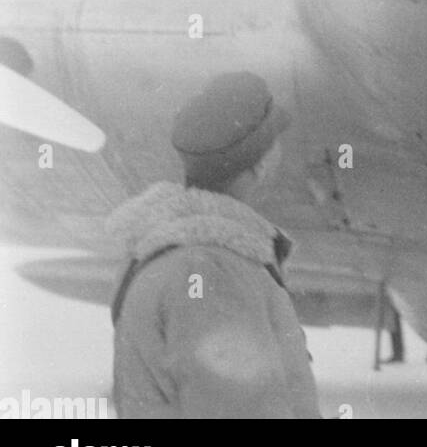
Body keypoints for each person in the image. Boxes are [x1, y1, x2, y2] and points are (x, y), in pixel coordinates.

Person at [107, 71, 321, 419]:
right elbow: (234, 409)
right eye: (275, 140)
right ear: (260, 163)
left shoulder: (195, 257)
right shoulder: (209, 270)